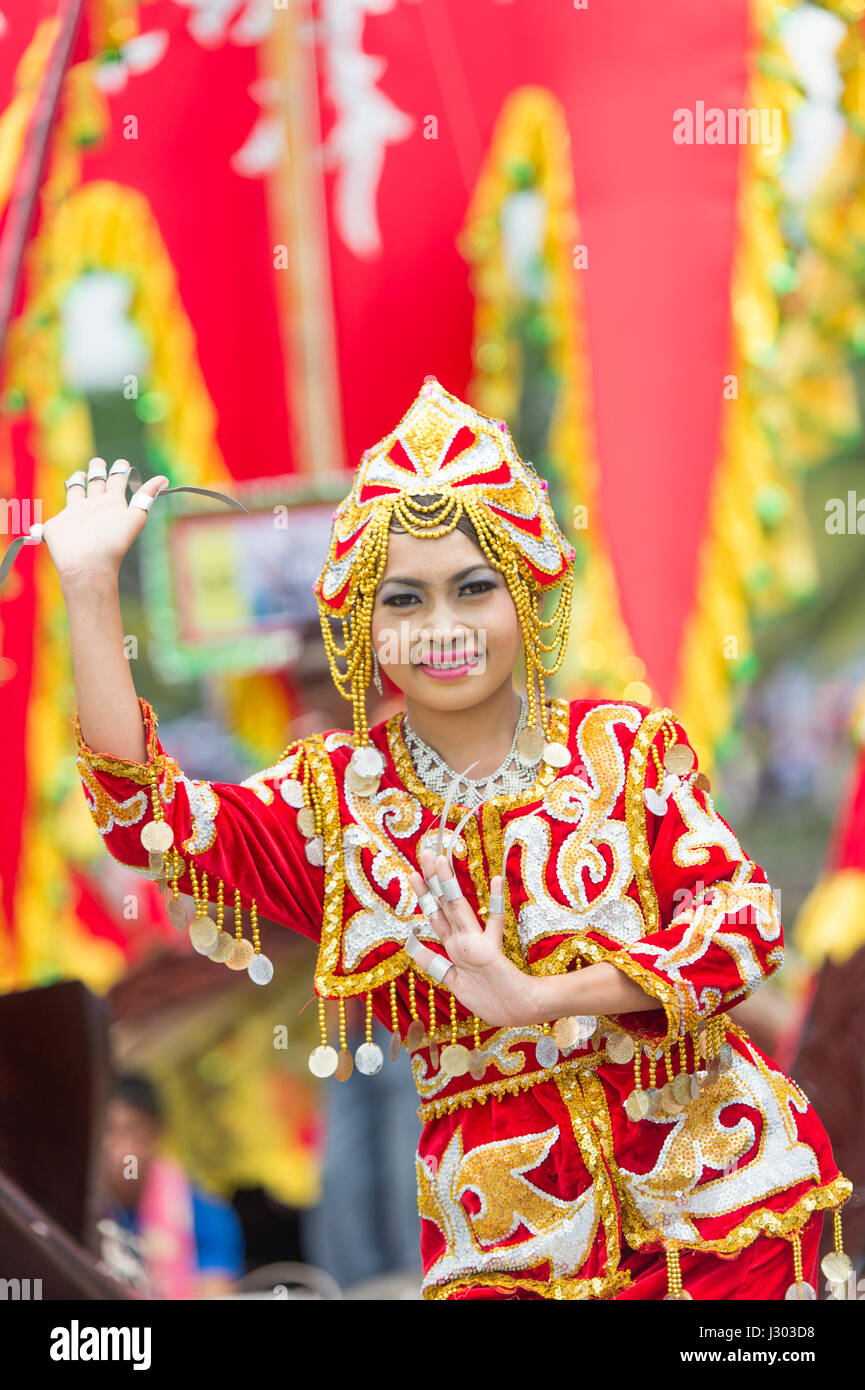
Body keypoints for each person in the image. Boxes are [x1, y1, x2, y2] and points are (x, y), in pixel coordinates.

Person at [49, 377, 852, 1300]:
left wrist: (538, 996)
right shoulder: (336, 802)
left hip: (720, 1214)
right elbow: (145, 814)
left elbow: (740, 925)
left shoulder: (623, 748)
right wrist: (89, 588)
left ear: (523, 593)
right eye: (404, 601)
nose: (444, 629)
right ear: (364, 625)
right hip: (505, 1238)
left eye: (473, 589)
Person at [99, 1073, 244, 1299]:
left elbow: (216, 1289)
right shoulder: (72, 1212)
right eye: (109, 1131)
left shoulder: (208, 1218)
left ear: (156, 1134)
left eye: (132, 1131)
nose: (118, 1148)